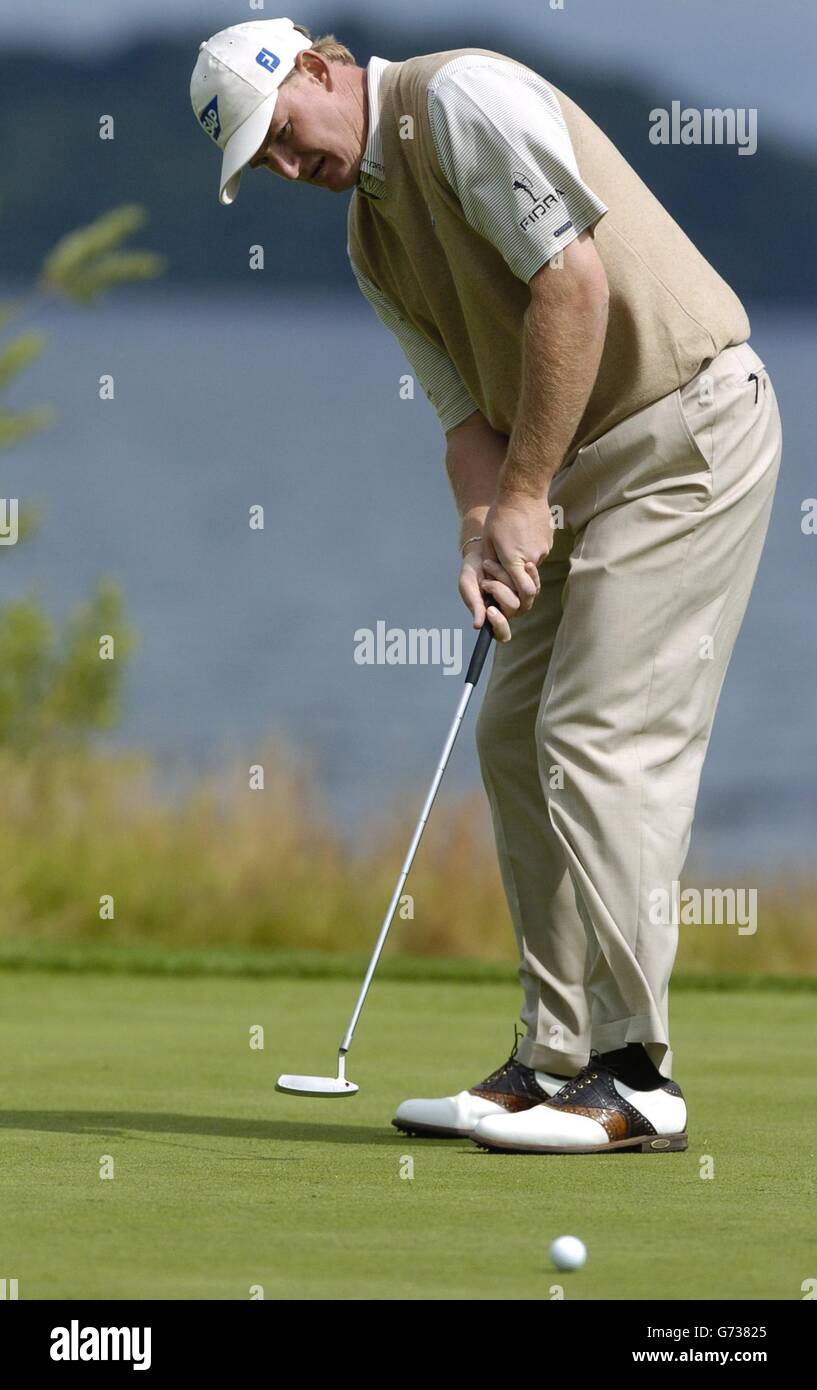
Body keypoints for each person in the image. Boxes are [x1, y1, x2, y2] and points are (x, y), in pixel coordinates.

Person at [190, 18, 782, 1154]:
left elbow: (575, 287)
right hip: (567, 467)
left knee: (595, 733)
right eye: (257, 160)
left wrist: (523, 498)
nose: (281, 164)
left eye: (279, 132)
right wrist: (483, 524)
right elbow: (467, 416)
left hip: (686, 430)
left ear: (315, 64)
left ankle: (636, 1073)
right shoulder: (372, 242)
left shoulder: (455, 102)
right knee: (512, 735)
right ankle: (554, 1053)